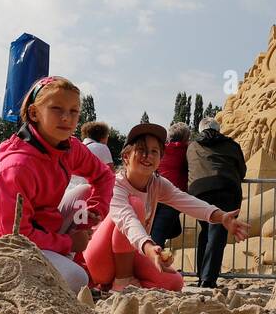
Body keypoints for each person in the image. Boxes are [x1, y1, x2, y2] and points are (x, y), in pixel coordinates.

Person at [0, 77, 114, 292]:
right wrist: (68, 242)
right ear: (34, 113)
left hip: (43, 231)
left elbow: (104, 175)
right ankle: (65, 260)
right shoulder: (17, 167)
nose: (67, 118)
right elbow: (16, 235)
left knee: (84, 193)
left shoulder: (71, 148)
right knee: (76, 278)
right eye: (56, 109)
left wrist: (97, 208)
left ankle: (70, 257)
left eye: (74, 111)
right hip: (1, 246)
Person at [82, 122, 248, 292]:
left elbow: (186, 201)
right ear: (126, 156)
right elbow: (127, 221)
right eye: (141, 150)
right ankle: (122, 281)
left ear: (161, 158)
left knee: (174, 282)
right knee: (134, 205)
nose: (148, 156)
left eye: (155, 151)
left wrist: (221, 216)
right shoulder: (117, 184)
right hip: (101, 259)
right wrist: (149, 247)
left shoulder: (157, 184)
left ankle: (115, 284)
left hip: (133, 254)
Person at [187, 117, 247, 288]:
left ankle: (201, 276)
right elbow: (242, 170)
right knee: (217, 234)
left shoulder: (193, 146)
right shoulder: (232, 145)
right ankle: (208, 279)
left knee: (205, 231)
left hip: (199, 190)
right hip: (225, 188)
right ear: (218, 129)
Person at [151, 122, 191, 247]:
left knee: (168, 229)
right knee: (159, 234)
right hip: (172, 196)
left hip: (155, 193)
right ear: (186, 137)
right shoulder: (185, 150)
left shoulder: (161, 149)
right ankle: (153, 262)